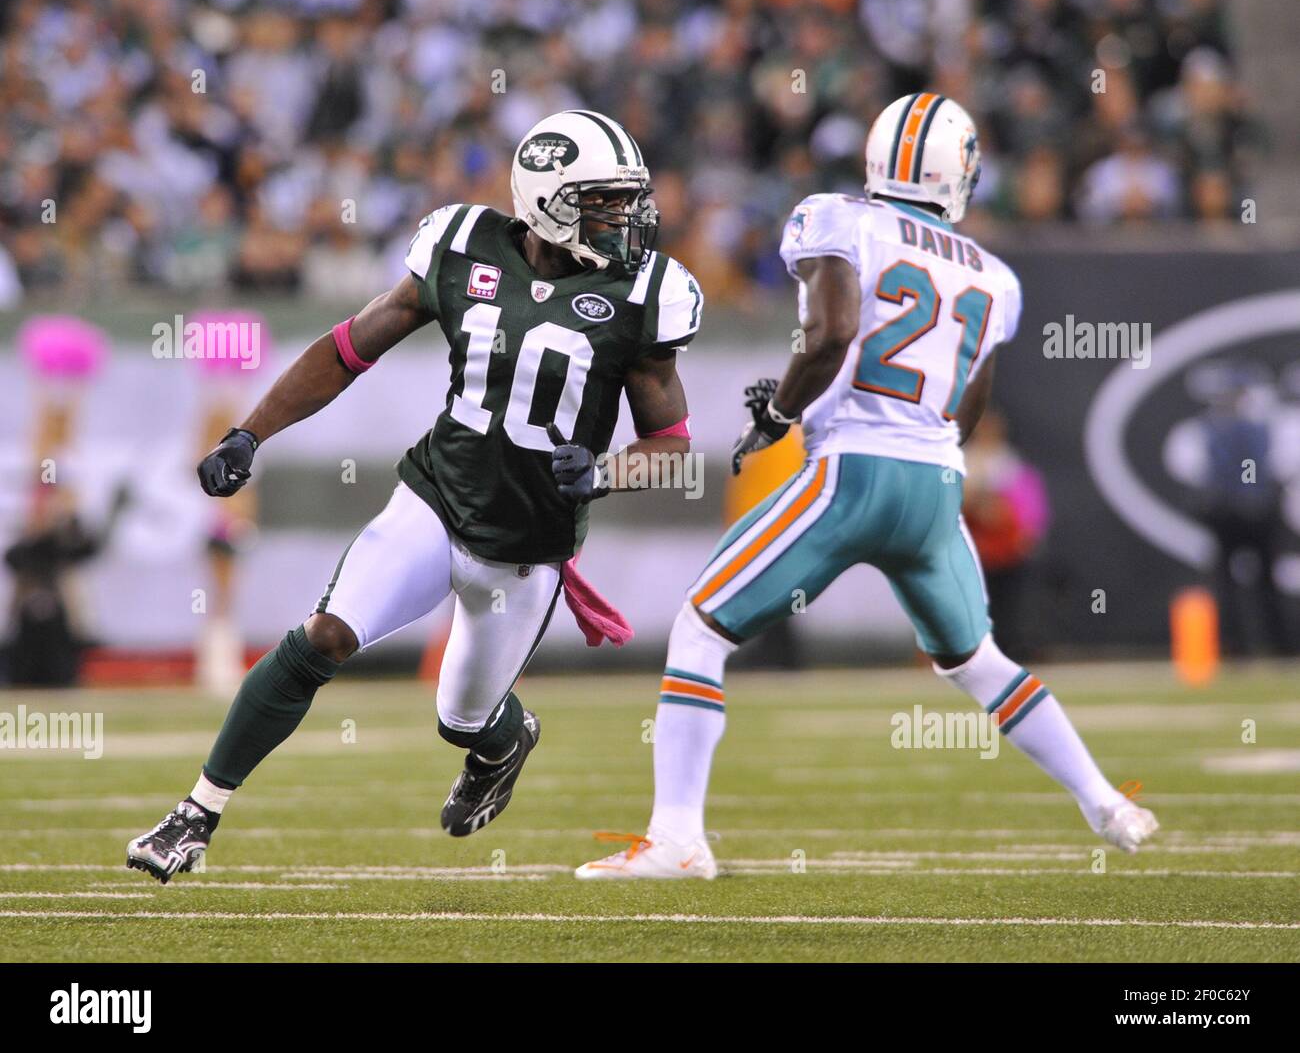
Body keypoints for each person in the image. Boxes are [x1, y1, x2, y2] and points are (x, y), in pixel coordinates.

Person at [577, 93, 1157, 880]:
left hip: (854, 468)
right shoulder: (994, 274)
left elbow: (834, 331)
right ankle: (1106, 802)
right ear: (961, 172)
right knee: (978, 660)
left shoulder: (839, 218)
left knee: (701, 629)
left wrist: (781, 411)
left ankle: (679, 839)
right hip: (935, 481)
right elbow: (969, 403)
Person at [127, 110, 703, 883]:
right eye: (604, 200)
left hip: (526, 552)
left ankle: (502, 740)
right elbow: (348, 348)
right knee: (325, 635)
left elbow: (673, 450)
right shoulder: (465, 247)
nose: (626, 217)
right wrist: (250, 433)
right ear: (549, 200)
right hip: (434, 498)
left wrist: (607, 473)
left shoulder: (644, 294)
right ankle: (195, 814)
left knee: (460, 718)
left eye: (626, 199)